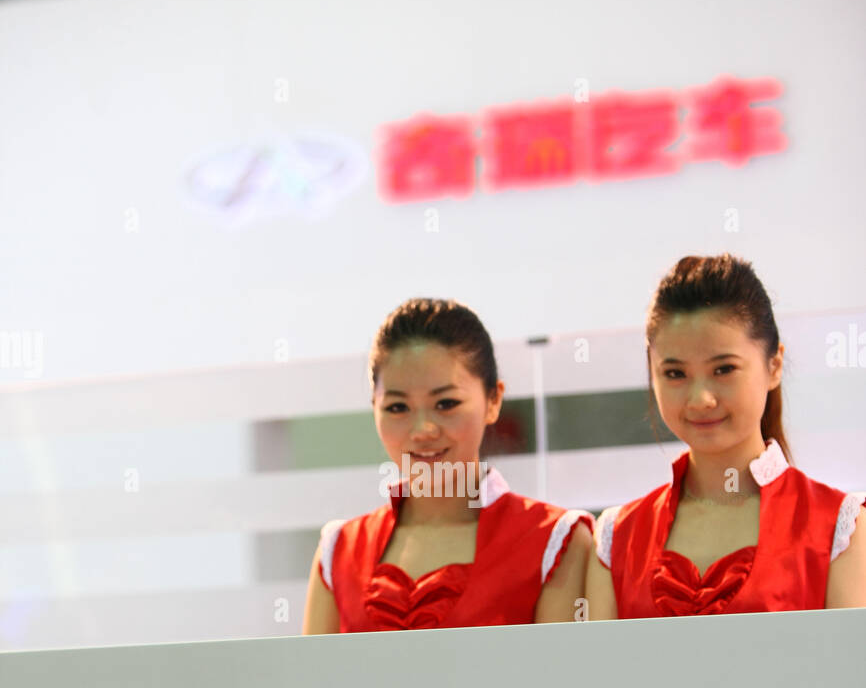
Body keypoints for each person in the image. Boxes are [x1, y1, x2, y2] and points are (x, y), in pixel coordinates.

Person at [586, 254, 866, 618]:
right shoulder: (615, 538)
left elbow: (848, 673)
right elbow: (593, 673)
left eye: (724, 369)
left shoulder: (839, 528)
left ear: (774, 366)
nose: (701, 398)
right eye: (675, 374)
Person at [303, 298, 594, 633]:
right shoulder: (339, 550)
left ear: (493, 401)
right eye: (398, 407)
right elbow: (312, 684)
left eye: (446, 404)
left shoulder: (555, 541)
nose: (423, 430)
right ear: (374, 409)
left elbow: (560, 683)